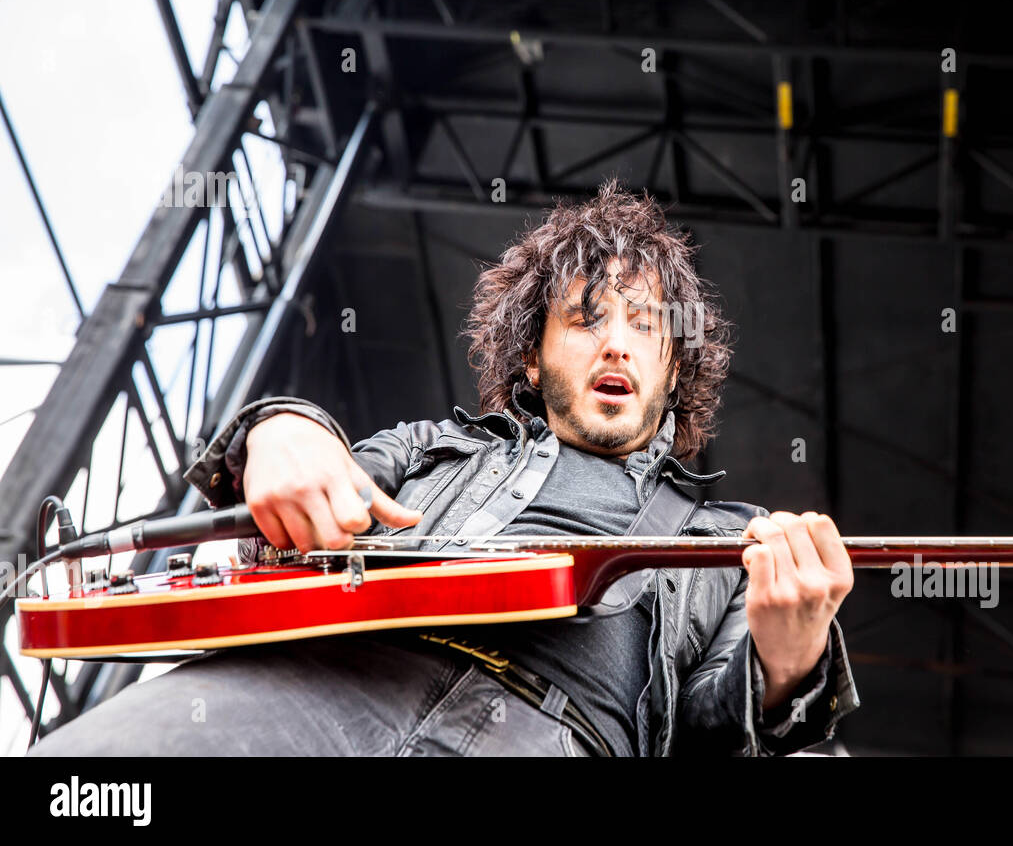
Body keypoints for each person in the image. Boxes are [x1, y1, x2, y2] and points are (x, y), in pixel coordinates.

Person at [29, 179, 860, 757]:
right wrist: (278, 428)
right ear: (532, 361)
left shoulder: (730, 540)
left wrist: (785, 665)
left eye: (646, 326)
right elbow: (308, 477)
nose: (616, 342)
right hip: (310, 682)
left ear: (674, 373)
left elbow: (714, 740)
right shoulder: (435, 446)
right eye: (586, 319)